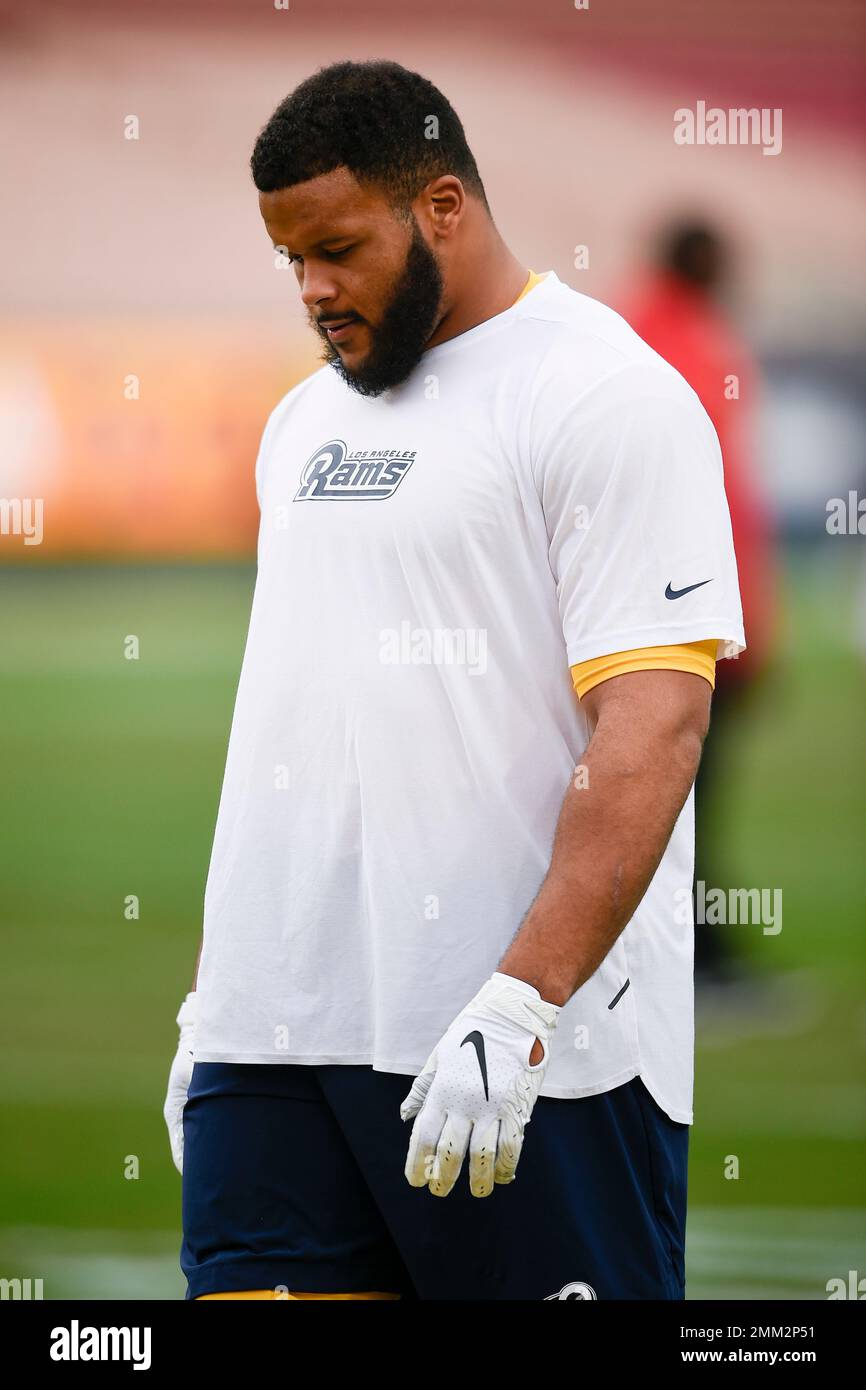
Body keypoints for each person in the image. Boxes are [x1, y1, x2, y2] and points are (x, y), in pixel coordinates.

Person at [163, 60, 745, 1301]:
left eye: (336, 248)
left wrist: (519, 1002)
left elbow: (653, 726)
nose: (314, 290)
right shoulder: (301, 426)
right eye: (290, 262)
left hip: (524, 1054)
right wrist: (221, 1004)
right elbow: (301, 729)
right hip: (272, 1050)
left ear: (439, 206)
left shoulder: (602, 395)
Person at [619, 223, 777, 985]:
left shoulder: (623, 330)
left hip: (625, 612)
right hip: (691, 616)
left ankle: (683, 954)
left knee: (654, 794)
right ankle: (695, 959)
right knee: (683, 798)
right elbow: (721, 502)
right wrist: (749, 624)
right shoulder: (701, 346)